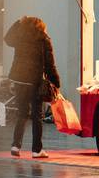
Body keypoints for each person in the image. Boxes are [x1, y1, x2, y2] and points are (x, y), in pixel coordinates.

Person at [4, 15, 61, 159]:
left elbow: (7, 38)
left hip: (19, 80)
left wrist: (18, 22)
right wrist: (56, 83)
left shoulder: (20, 37)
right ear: (41, 27)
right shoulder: (44, 40)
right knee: (37, 116)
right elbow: (50, 65)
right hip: (34, 82)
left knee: (22, 113)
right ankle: (37, 150)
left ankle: (15, 146)